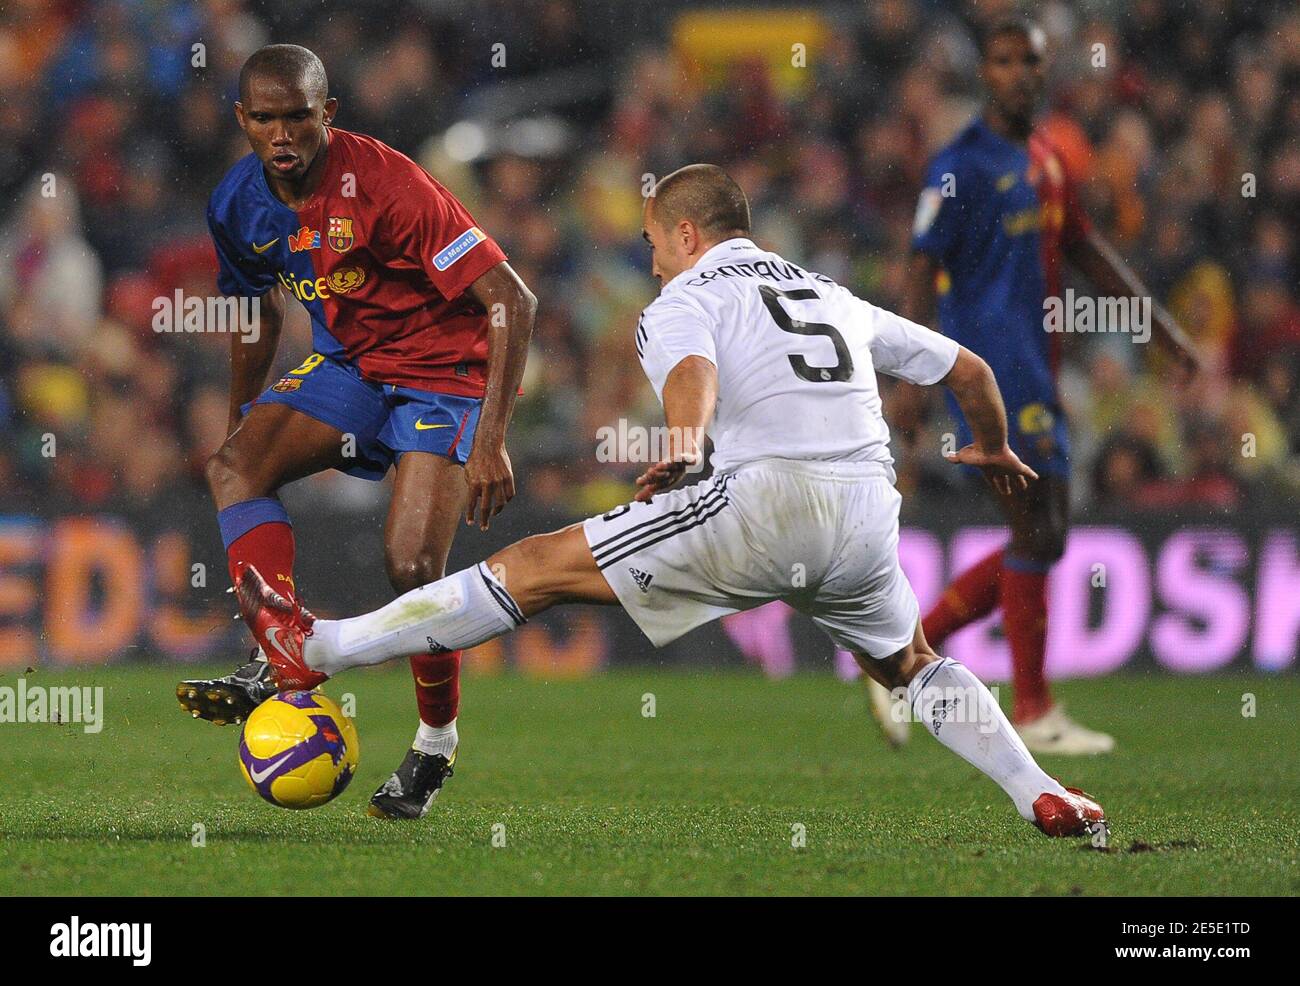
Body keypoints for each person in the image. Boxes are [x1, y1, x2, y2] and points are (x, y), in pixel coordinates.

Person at [235, 164, 1107, 839]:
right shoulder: (830, 292)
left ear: (687, 235)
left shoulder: (686, 297)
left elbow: (694, 373)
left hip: (765, 500)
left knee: (531, 569)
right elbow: (968, 369)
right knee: (911, 664)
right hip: (867, 514)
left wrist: (685, 448)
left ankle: (317, 647)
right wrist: (990, 445)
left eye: (654, 243)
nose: (651, 262)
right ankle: (1041, 793)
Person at [176, 44, 536, 820]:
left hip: (442, 371)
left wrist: (491, 438)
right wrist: (245, 418)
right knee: (235, 467)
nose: (282, 133)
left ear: (326, 114)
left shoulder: (389, 183)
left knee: (412, 566)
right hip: (351, 367)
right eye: (264, 118)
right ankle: (280, 655)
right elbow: (258, 312)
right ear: (242, 120)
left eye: (298, 116)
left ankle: (435, 745)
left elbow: (512, 299)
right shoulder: (237, 201)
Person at [890, 17, 1203, 754]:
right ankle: (1027, 706)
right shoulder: (957, 165)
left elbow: (1085, 246)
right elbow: (918, 266)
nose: (1019, 73)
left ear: (1044, 68)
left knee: (1045, 532)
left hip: (1037, 367)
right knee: (1037, 530)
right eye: (1003, 61)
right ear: (985, 73)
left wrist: (1156, 327)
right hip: (985, 374)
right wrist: (911, 370)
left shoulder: (1048, 158)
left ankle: (904, 660)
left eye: (1029, 60)